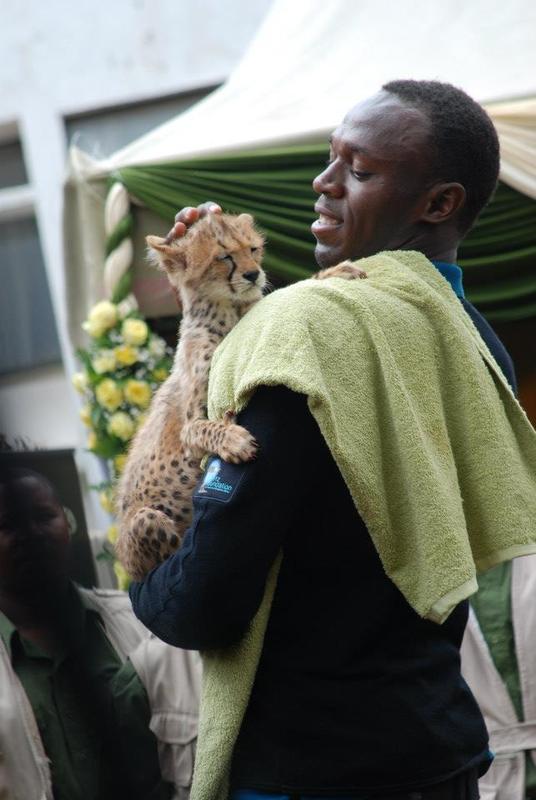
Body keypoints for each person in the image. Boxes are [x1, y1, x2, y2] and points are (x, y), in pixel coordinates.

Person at [130, 80, 534, 799]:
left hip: (314, 767)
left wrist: (141, 575)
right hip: (437, 749)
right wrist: (209, 273)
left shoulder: (307, 337)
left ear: (439, 203)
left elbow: (203, 602)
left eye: (360, 170)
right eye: (330, 158)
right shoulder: (478, 346)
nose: (321, 185)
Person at [0, 463, 201, 800]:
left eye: (42, 516)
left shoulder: (142, 619)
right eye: (6, 524)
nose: (30, 534)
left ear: (69, 523)